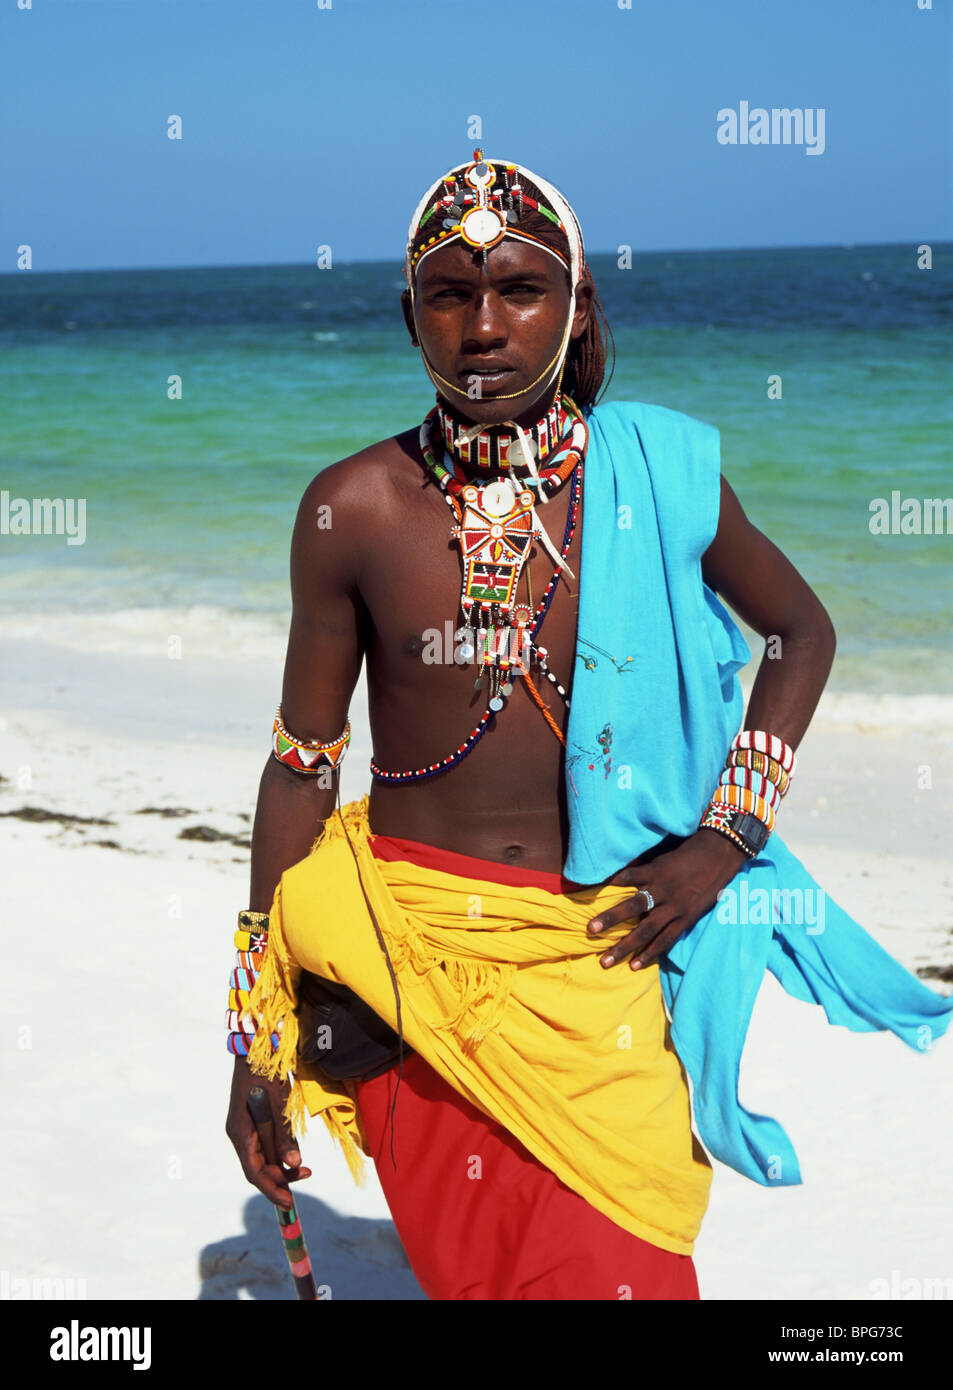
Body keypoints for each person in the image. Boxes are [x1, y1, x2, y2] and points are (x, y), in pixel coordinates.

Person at [224, 151, 947, 1300]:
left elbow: (799, 635)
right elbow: (301, 765)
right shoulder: (349, 509)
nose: (484, 325)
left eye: (520, 288)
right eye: (451, 295)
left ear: (576, 304)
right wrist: (256, 1036)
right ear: (408, 315)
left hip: (597, 956)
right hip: (411, 964)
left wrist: (725, 840)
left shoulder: (657, 475)